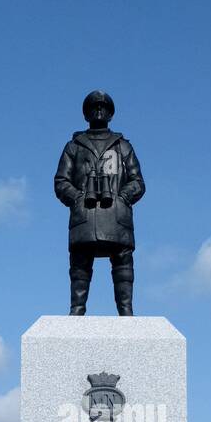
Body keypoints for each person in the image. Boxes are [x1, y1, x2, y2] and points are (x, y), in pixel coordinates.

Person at [54, 91, 145, 316]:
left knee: (123, 262)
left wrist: (122, 197)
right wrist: (77, 198)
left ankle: (126, 311)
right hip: (85, 215)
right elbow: (61, 181)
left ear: (111, 113)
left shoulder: (123, 146)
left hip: (116, 215)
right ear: (86, 114)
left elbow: (138, 182)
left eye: (103, 107)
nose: (99, 111)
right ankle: (77, 309)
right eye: (93, 107)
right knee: (80, 265)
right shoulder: (74, 146)